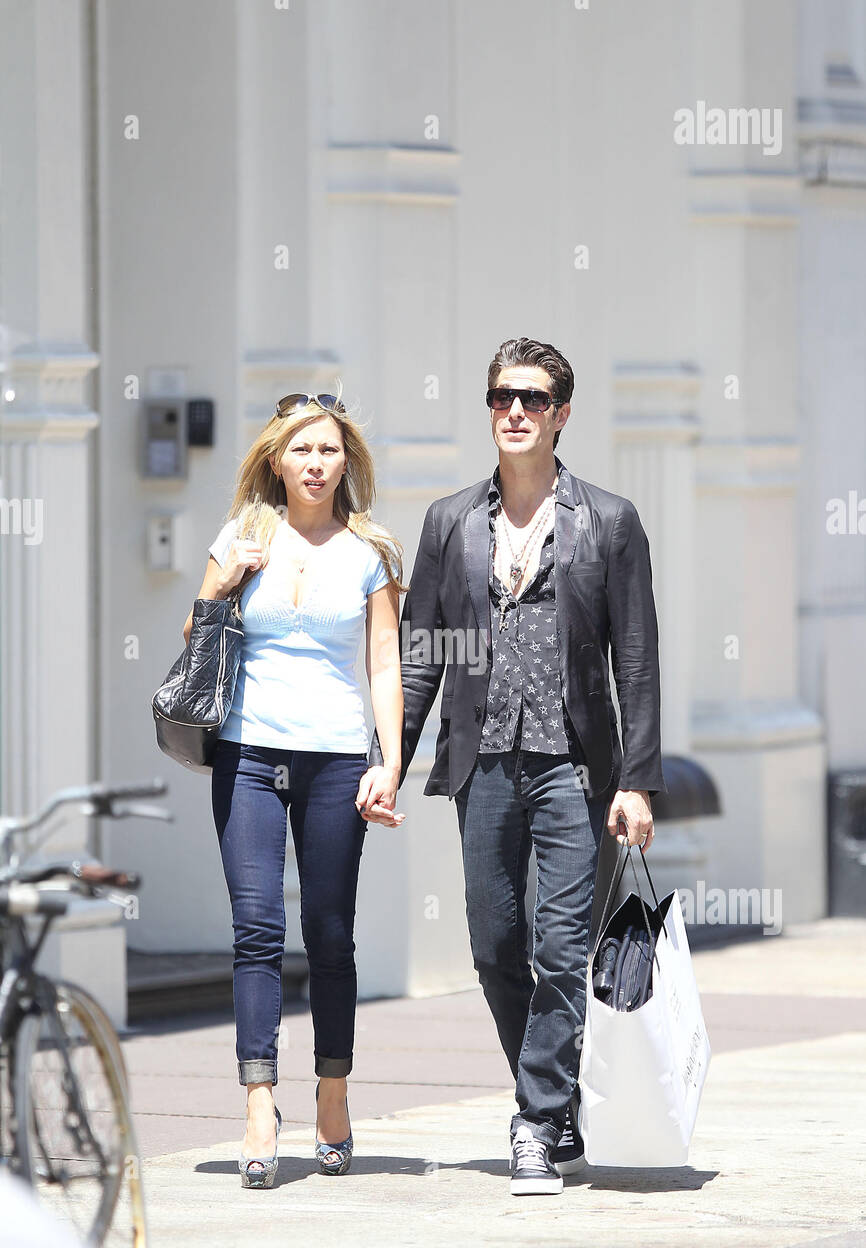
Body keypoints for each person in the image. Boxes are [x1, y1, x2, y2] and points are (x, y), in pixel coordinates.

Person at [368, 338, 666, 1195]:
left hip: (576, 767)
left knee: (562, 946)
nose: (516, 411)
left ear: (562, 413)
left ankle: (534, 1123)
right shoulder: (450, 522)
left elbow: (636, 661)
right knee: (497, 946)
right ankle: (556, 1096)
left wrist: (636, 779)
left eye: (534, 398)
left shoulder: (609, 521)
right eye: (503, 396)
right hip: (483, 761)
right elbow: (423, 651)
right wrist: (391, 757)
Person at [183, 390, 405, 1189]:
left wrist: (390, 761)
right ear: (276, 459)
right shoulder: (242, 535)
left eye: (330, 451)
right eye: (302, 450)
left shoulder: (371, 551)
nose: (316, 464)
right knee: (255, 929)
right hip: (247, 751)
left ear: (347, 461)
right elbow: (194, 638)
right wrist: (221, 586)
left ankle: (335, 1092)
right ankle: (258, 1102)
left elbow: (385, 660)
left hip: (338, 758)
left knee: (331, 933)